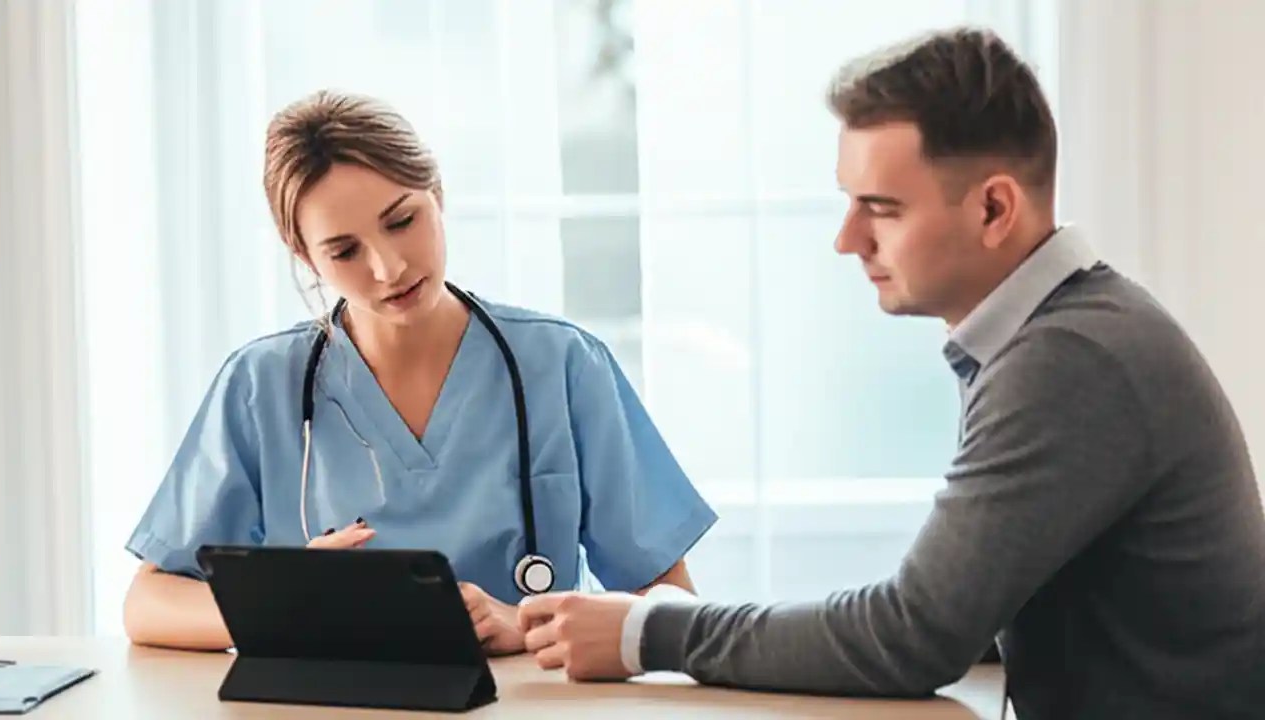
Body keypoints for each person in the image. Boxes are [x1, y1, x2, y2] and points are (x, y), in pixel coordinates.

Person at [518, 27, 1265, 719]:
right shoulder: (1061, 333)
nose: (847, 240)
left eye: (881, 208)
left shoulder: (1071, 361)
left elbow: (913, 637)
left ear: (995, 208)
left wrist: (648, 631)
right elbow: (947, 614)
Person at [122, 89, 717, 655]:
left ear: (436, 192)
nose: (388, 267)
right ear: (303, 254)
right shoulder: (261, 384)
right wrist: (291, 598)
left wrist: (528, 625)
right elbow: (148, 604)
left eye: (402, 221)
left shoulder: (563, 365)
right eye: (344, 251)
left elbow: (668, 603)